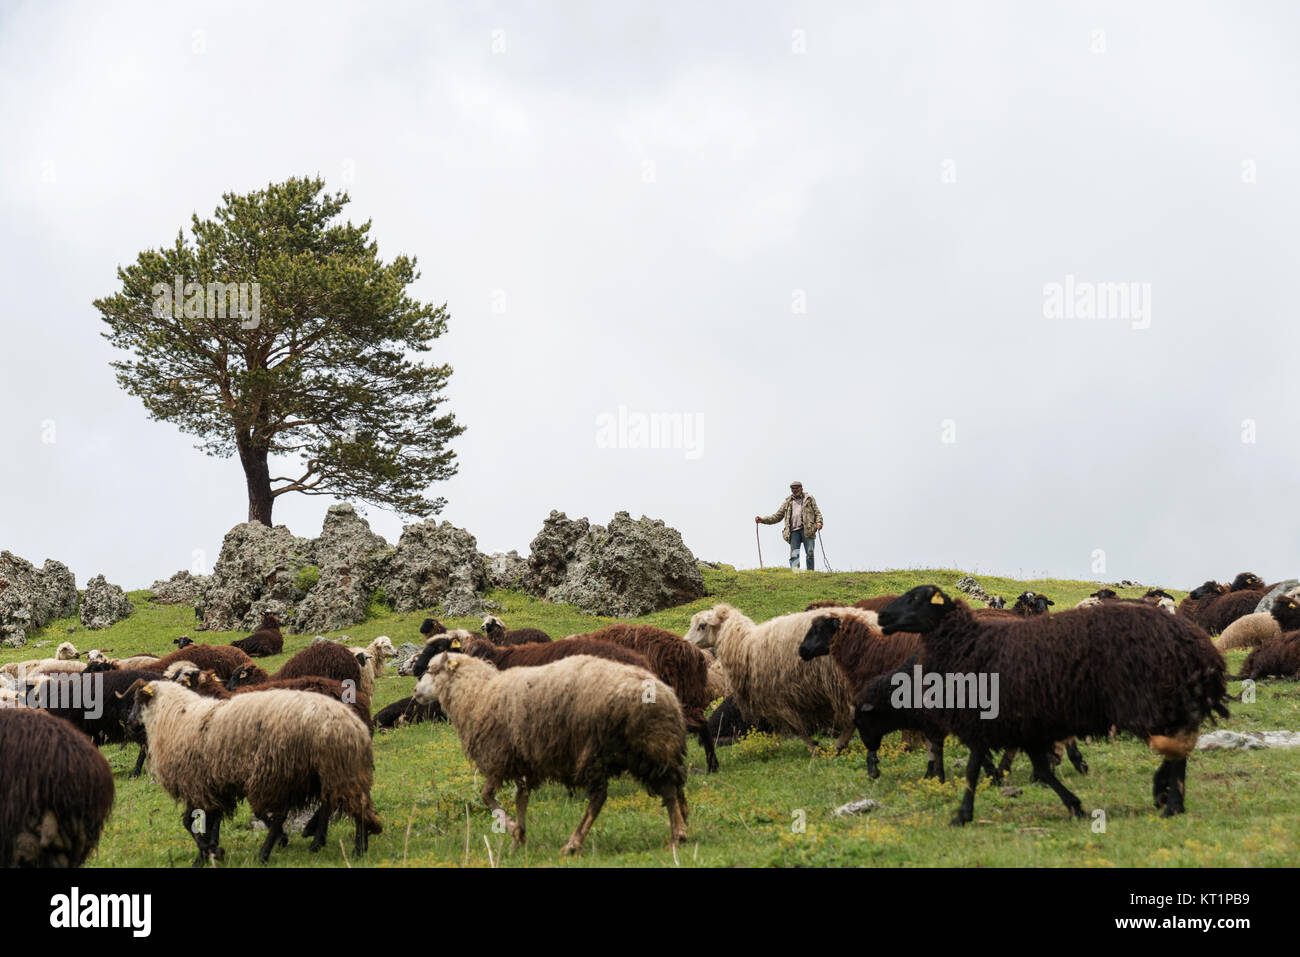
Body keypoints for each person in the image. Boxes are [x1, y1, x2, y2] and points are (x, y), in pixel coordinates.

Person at [755, 481, 823, 571]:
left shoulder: (809, 499)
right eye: (792, 489)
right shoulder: (788, 502)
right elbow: (777, 516)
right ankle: (796, 573)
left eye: (796, 488)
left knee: (810, 552)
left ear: (801, 488)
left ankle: (810, 572)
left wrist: (819, 522)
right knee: (794, 555)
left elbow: (817, 512)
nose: (794, 490)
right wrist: (763, 520)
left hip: (808, 529)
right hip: (793, 532)